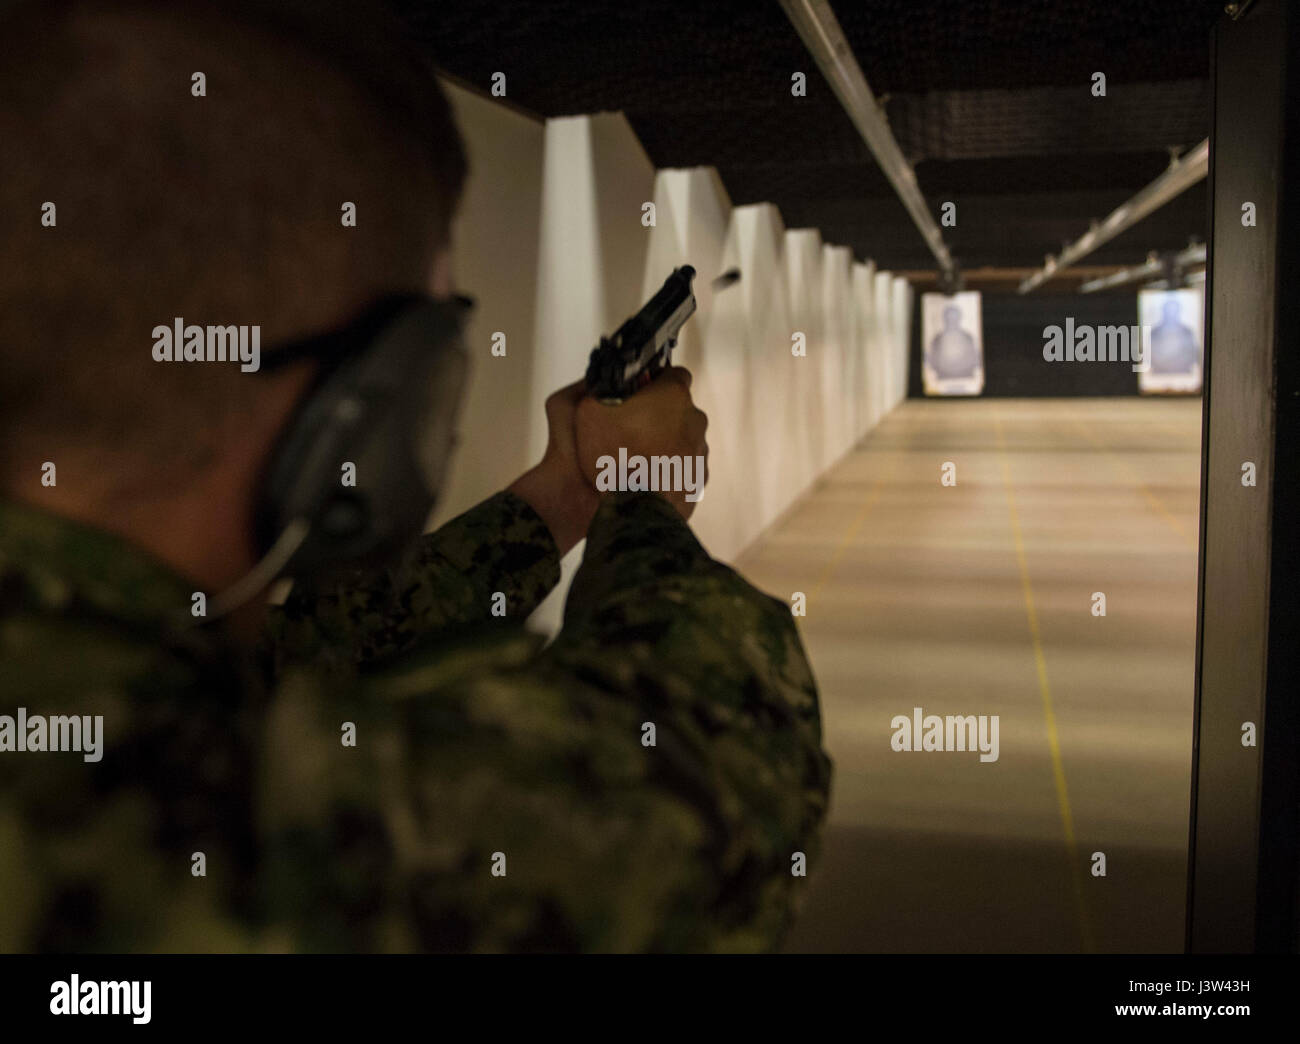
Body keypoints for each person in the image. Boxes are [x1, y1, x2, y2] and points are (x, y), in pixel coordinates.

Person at [0, 0, 831, 952]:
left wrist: (569, 490)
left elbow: (303, 642)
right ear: (382, 395)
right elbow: (721, 774)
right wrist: (644, 496)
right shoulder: (223, 828)